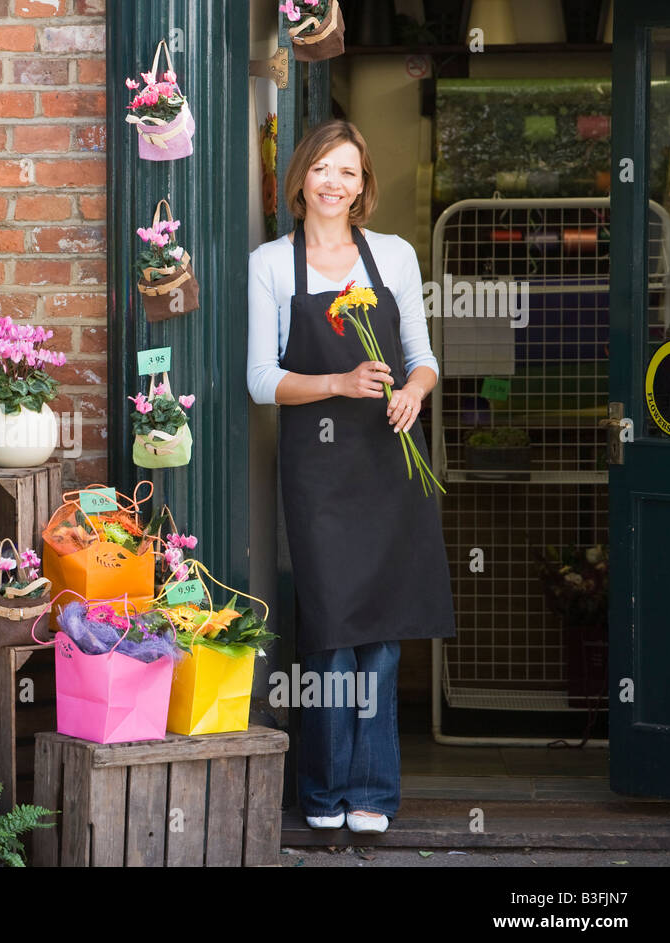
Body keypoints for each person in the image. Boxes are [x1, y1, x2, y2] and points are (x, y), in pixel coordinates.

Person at [247, 119, 455, 834]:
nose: (335, 183)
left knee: (384, 634)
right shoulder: (272, 263)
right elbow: (258, 379)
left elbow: (423, 355)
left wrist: (413, 391)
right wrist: (337, 382)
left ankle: (371, 793)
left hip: (391, 461)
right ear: (301, 176)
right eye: (323, 170)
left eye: (350, 173)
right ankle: (323, 791)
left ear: (363, 186)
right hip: (321, 474)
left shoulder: (392, 256)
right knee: (331, 634)